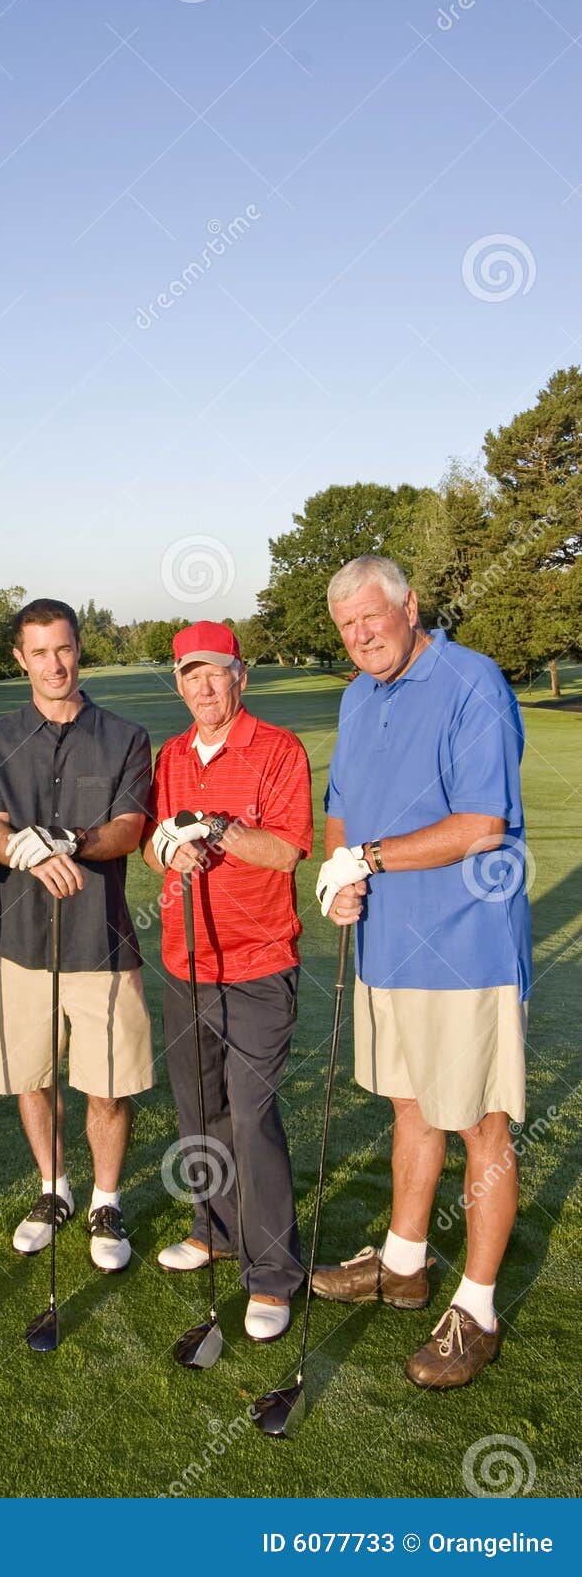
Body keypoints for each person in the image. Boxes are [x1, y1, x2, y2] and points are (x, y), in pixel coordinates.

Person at [313, 554, 530, 1389]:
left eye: (371, 617)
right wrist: (339, 874)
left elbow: (480, 823)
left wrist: (366, 856)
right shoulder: (356, 693)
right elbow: (339, 805)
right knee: (410, 1105)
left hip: (465, 942)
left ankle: (474, 1308)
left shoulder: (471, 682)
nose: (360, 636)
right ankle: (403, 1263)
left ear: (408, 607)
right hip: (387, 945)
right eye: (345, 626)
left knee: (479, 1122)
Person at [0, 598, 154, 1273]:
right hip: (16, 939)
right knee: (32, 1075)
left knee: (107, 1083)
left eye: (64, 649)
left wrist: (68, 838)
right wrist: (18, 848)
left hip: (98, 941)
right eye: (39, 652)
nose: (54, 664)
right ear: (19, 658)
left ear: (80, 649)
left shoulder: (125, 737)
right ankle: (53, 1189)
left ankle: (105, 1199)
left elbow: (130, 830)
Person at [142, 622, 312, 1341]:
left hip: (257, 963)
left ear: (239, 675)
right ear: (178, 682)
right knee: (199, 1111)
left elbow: (283, 853)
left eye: (214, 673)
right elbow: (155, 848)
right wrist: (167, 854)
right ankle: (211, 1230)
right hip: (186, 962)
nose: (202, 687)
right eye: (189, 675)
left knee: (249, 1115)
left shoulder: (277, 749)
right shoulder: (172, 754)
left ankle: (271, 1273)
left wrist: (214, 828)